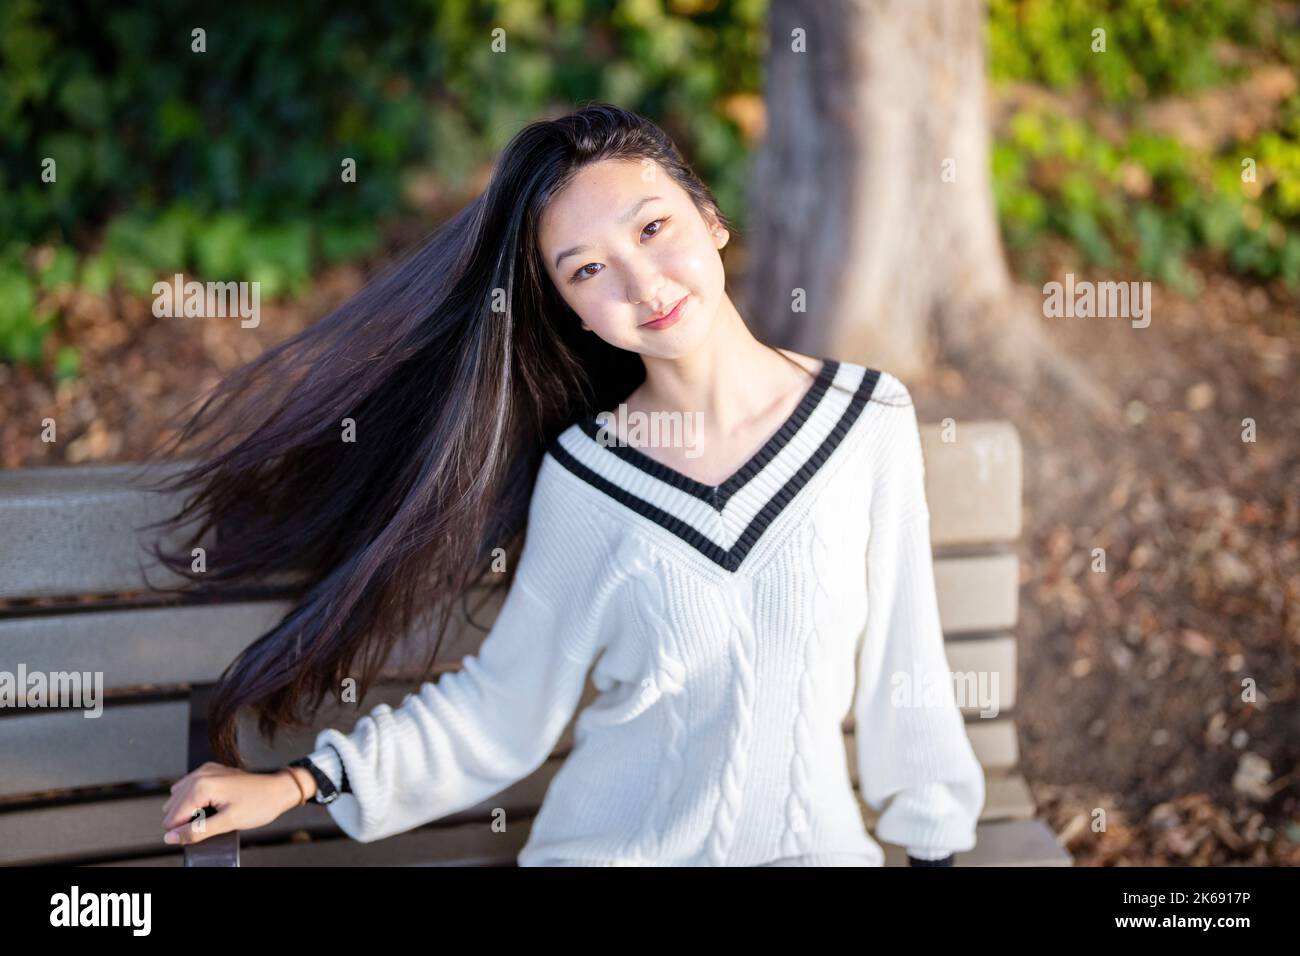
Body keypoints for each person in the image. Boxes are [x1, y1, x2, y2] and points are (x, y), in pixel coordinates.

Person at [154, 103, 983, 867]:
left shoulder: (866, 419)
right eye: (586, 270)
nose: (641, 283)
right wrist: (302, 784)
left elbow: (906, 675)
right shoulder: (588, 477)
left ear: (713, 219)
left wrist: (934, 845)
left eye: (655, 227)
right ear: (571, 311)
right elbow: (504, 709)